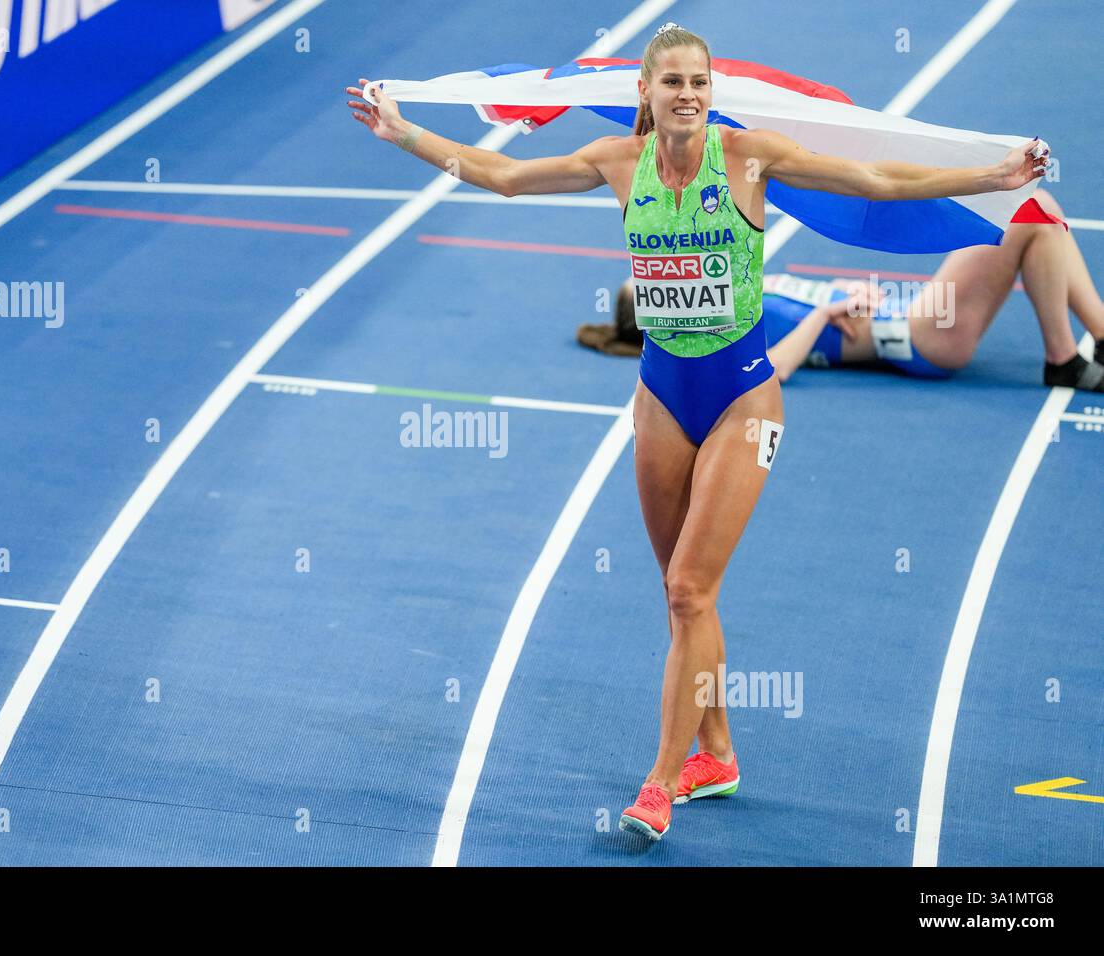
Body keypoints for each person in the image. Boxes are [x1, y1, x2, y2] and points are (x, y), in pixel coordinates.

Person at [346, 22, 1049, 842]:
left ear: (712, 92)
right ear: (643, 92)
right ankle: (715, 749)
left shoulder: (748, 157)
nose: (688, 95)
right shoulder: (619, 164)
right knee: (683, 597)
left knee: (688, 589)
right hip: (661, 397)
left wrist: (991, 175)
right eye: (672, 81)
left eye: (699, 82)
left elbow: (873, 179)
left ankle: (659, 783)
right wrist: (405, 135)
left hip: (744, 398)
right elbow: (502, 175)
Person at [581, 190, 1104, 390]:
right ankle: (1064, 358)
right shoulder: (723, 333)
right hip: (920, 335)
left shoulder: (730, 293)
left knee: (1044, 211)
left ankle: (1091, 342)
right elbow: (775, 370)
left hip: (911, 313)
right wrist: (825, 313)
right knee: (1024, 211)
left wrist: (837, 291)